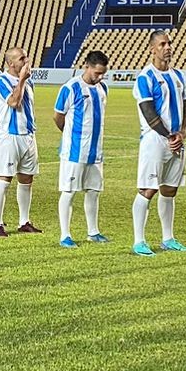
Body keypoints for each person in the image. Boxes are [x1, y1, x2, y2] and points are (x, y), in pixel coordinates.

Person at [132, 30, 186, 256]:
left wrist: (183, 131)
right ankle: (139, 241)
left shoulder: (177, 76)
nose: (168, 47)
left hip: (176, 140)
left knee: (169, 190)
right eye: (163, 44)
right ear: (152, 48)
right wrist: (169, 135)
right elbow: (148, 111)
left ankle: (168, 238)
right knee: (148, 189)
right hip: (155, 140)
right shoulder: (145, 77)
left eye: (169, 43)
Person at [55, 50, 110, 247]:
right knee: (69, 192)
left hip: (95, 152)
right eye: (96, 72)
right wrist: (70, 136)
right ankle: (65, 235)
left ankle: (93, 232)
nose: (100, 76)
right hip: (74, 152)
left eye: (102, 73)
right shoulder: (71, 88)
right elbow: (58, 116)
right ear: (86, 66)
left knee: (93, 191)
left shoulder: (103, 88)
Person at [0, 47, 41, 237]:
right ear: (11, 63)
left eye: (26, 57)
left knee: (27, 178)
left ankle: (24, 221)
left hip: (28, 135)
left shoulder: (29, 82)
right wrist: (21, 80)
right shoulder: (0, 80)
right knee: (4, 178)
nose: (26, 61)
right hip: (9, 136)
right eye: (22, 58)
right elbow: (13, 102)